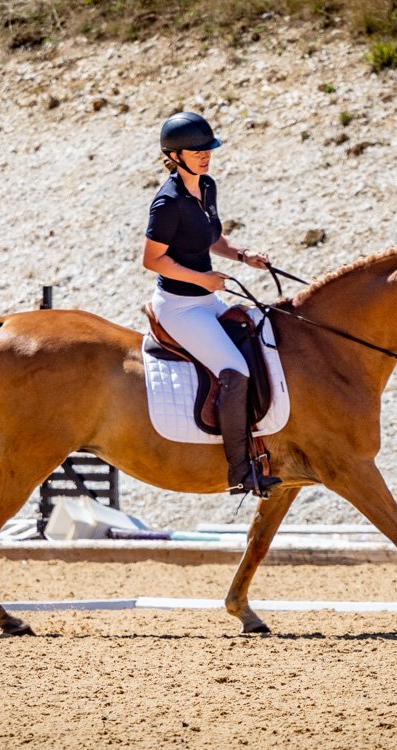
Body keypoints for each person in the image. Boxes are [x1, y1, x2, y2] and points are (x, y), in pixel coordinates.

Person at [142, 111, 281, 496]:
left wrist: (242, 255)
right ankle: (239, 469)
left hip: (207, 298)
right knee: (234, 370)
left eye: (208, 149)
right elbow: (152, 259)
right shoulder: (167, 203)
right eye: (197, 150)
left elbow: (211, 237)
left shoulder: (206, 186)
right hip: (180, 307)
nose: (205, 155)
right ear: (175, 156)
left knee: (263, 338)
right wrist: (202, 278)